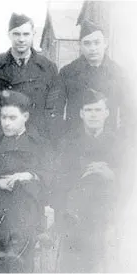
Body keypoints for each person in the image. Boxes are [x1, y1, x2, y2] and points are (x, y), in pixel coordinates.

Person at [0, 90, 52, 272]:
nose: (6, 123)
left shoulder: (40, 144)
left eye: (12, 118)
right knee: (18, 239)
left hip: (28, 209)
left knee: (23, 195)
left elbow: (50, 172)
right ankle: (14, 260)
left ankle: (10, 263)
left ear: (25, 117)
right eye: (3, 117)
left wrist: (29, 175)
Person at [53, 88, 121, 272]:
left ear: (106, 113)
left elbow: (129, 177)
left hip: (105, 209)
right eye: (89, 110)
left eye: (98, 110)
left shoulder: (117, 143)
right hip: (74, 212)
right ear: (81, 114)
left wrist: (111, 174)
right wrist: (83, 172)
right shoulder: (68, 142)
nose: (93, 115)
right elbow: (58, 178)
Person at [0, 13, 63, 142]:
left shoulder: (48, 68)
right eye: (16, 34)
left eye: (26, 34)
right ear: (9, 35)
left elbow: (53, 109)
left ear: (33, 34)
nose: (21, 39)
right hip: (2, 137)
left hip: (36, 139)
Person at [60, 20, 130, 136]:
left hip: (109, 143)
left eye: (97, 42)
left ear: (105, 43)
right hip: (74, 142)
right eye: (87, 43)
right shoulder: (67, 73)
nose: (93, 48)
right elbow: (56, 111)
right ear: (80, 45)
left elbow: (128, 114)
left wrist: (120, 142)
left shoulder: (119, 73)